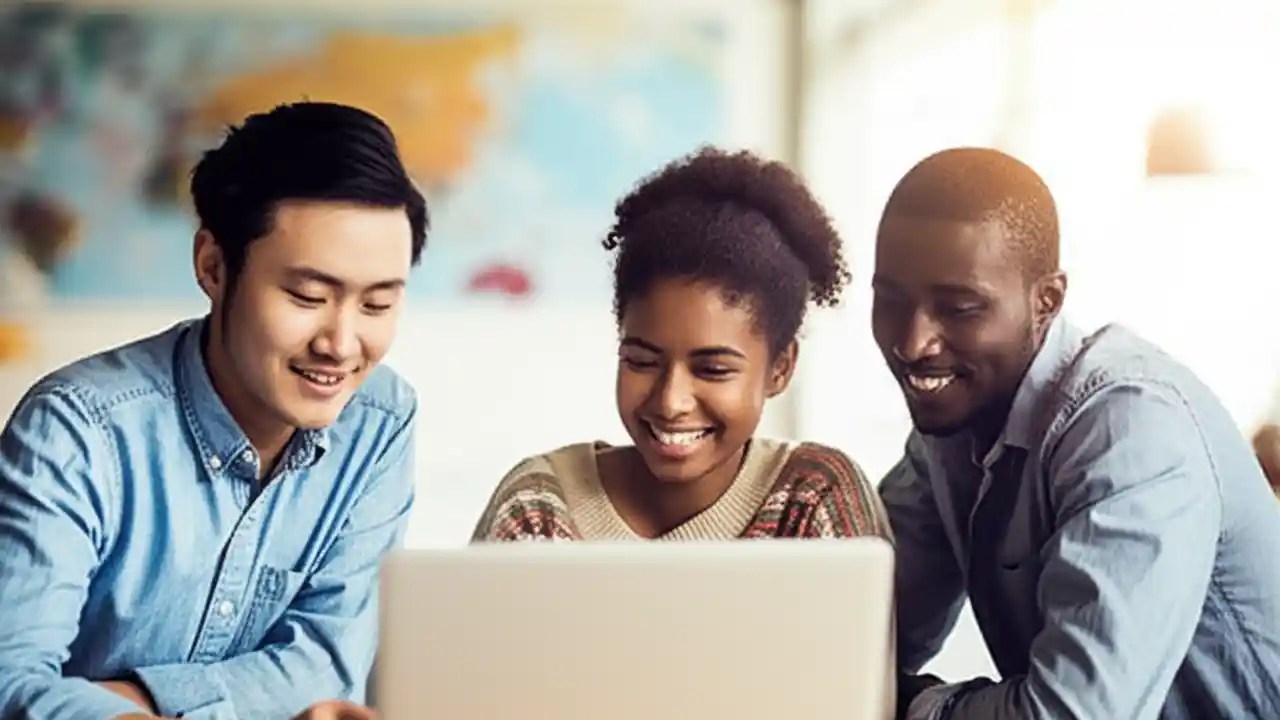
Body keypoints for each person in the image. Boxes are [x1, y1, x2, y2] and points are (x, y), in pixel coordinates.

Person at [0, 101, 427, 720]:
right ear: (213, 266)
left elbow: (328, 665)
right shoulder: (74, 430)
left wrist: (136, 701)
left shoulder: (381, 423)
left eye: (377, 305)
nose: (340, 343)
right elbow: (11, 681)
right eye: (307, 296)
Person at [874, 147, 1280, 719]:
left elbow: (1072, 713)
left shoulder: (1131, 426)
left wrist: (919, 707)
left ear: (1047, 301)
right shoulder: (951, 425)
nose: (913, 343)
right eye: (889, 300)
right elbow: (861, 633)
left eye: (960, 308)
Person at [472, 147, 891, 545]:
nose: (671, 402)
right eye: (641, 361)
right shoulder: (539, 506)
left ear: (780, 368)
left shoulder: (814, 497)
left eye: (712, 370)